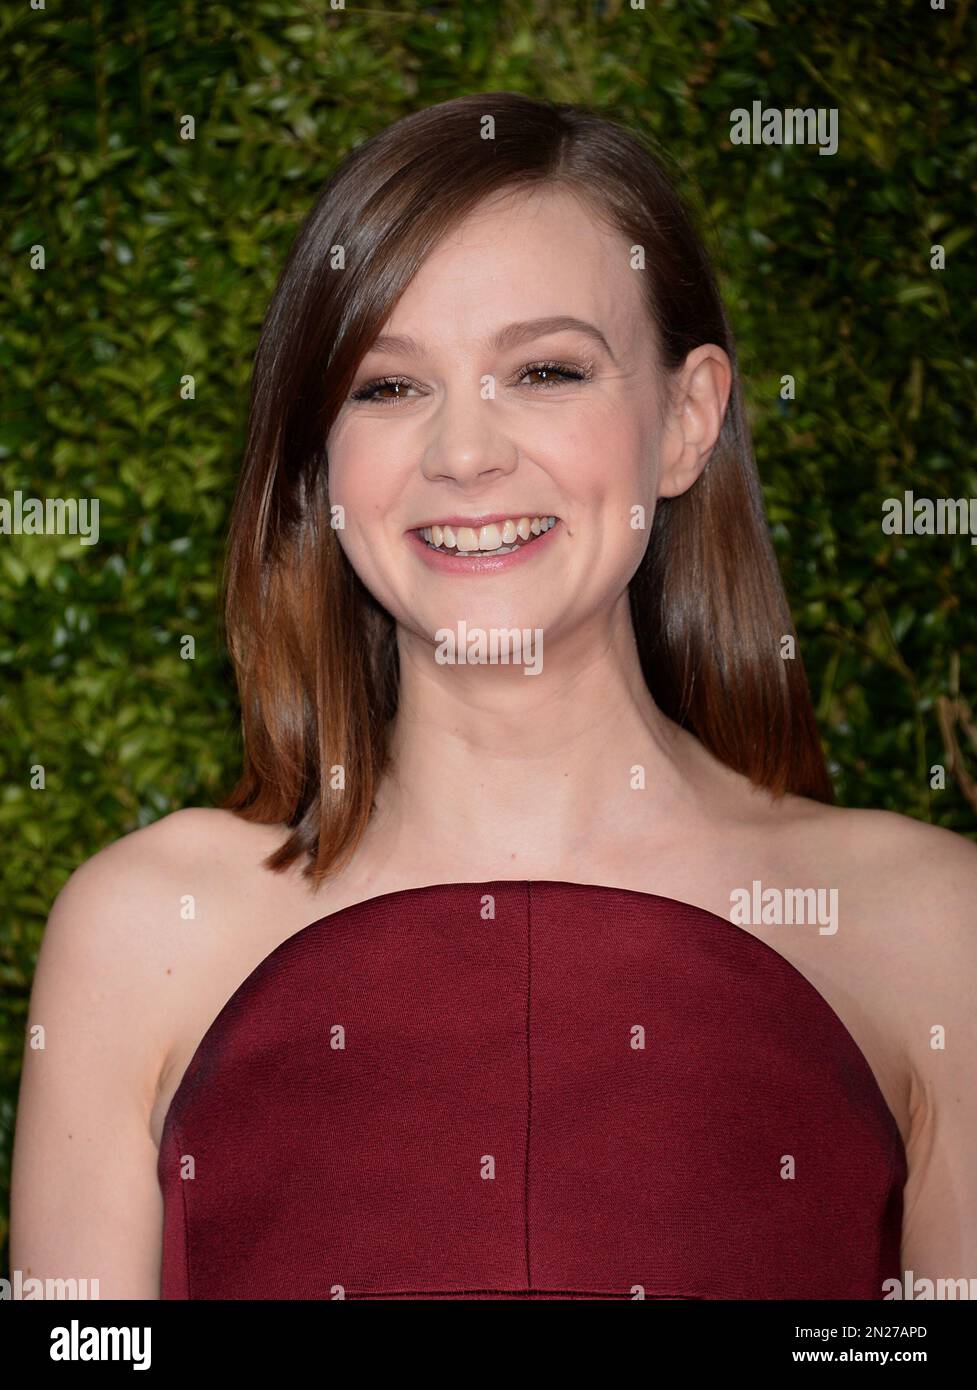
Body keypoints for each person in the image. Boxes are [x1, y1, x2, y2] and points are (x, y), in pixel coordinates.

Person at [11, 91, 977, 1300]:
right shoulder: (143, 936)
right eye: (386, 387)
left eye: (543, 370)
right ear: (319, 460)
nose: (463, 453)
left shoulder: (928, 927)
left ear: (685, 420)